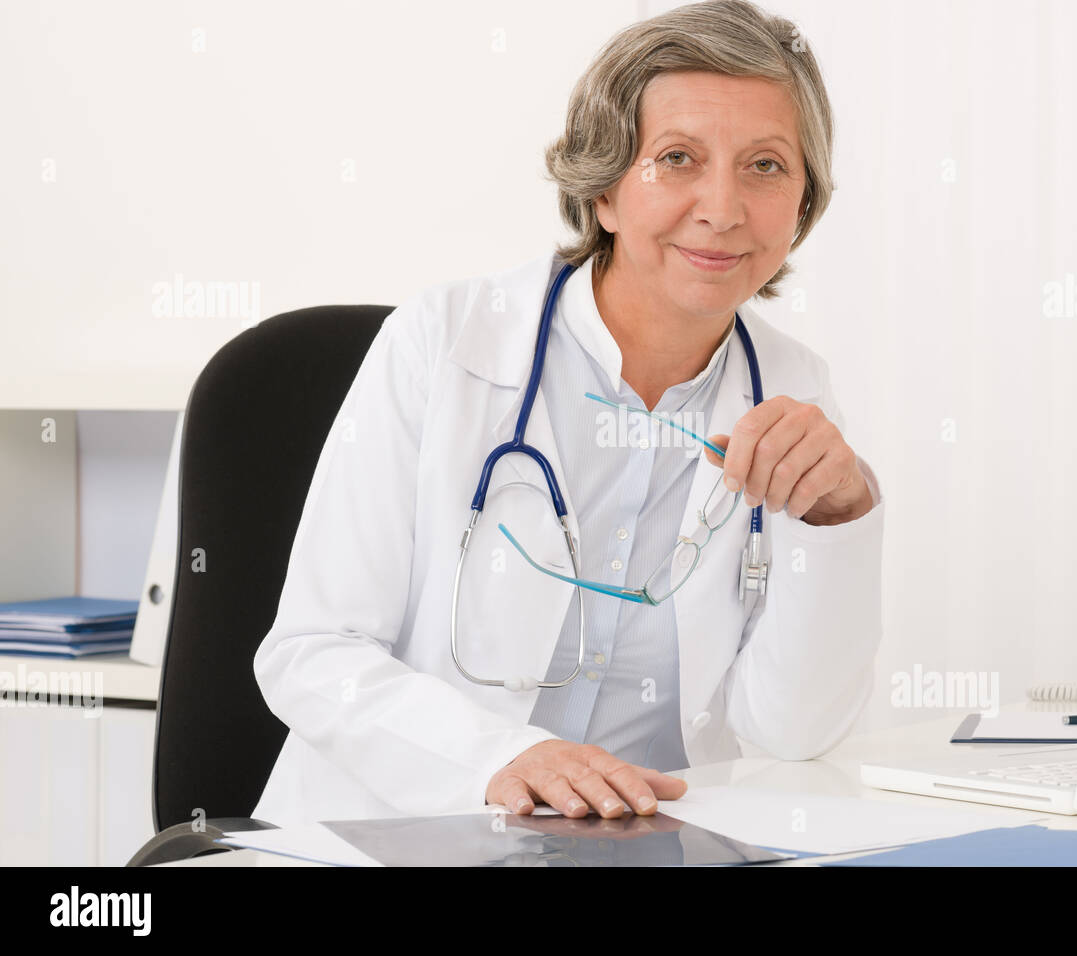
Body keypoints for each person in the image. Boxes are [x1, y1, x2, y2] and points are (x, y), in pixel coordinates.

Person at [251, 0, 884, 828]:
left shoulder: (794, 393)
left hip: (639, 846)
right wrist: (498, 759)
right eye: (677, 158)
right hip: (396, 834)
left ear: (803, 203)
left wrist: (838, 521)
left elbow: (791, 735)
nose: (724, 208)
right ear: (605, 191)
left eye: (766, 166)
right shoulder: (443, 346)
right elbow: (311, 654)